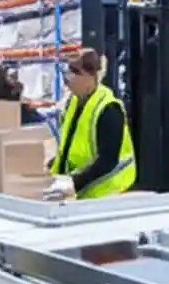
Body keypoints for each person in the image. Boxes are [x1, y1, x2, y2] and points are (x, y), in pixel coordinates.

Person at [46, 49, 137, 199]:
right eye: (67, 71)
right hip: (82, 192)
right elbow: (68, 147)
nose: (68, 78)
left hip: (107, 194)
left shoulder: (108, 109)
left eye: (75, 72)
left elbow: (107, 160)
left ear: (90, 76)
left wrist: (74, 182)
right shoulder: (73, 102)